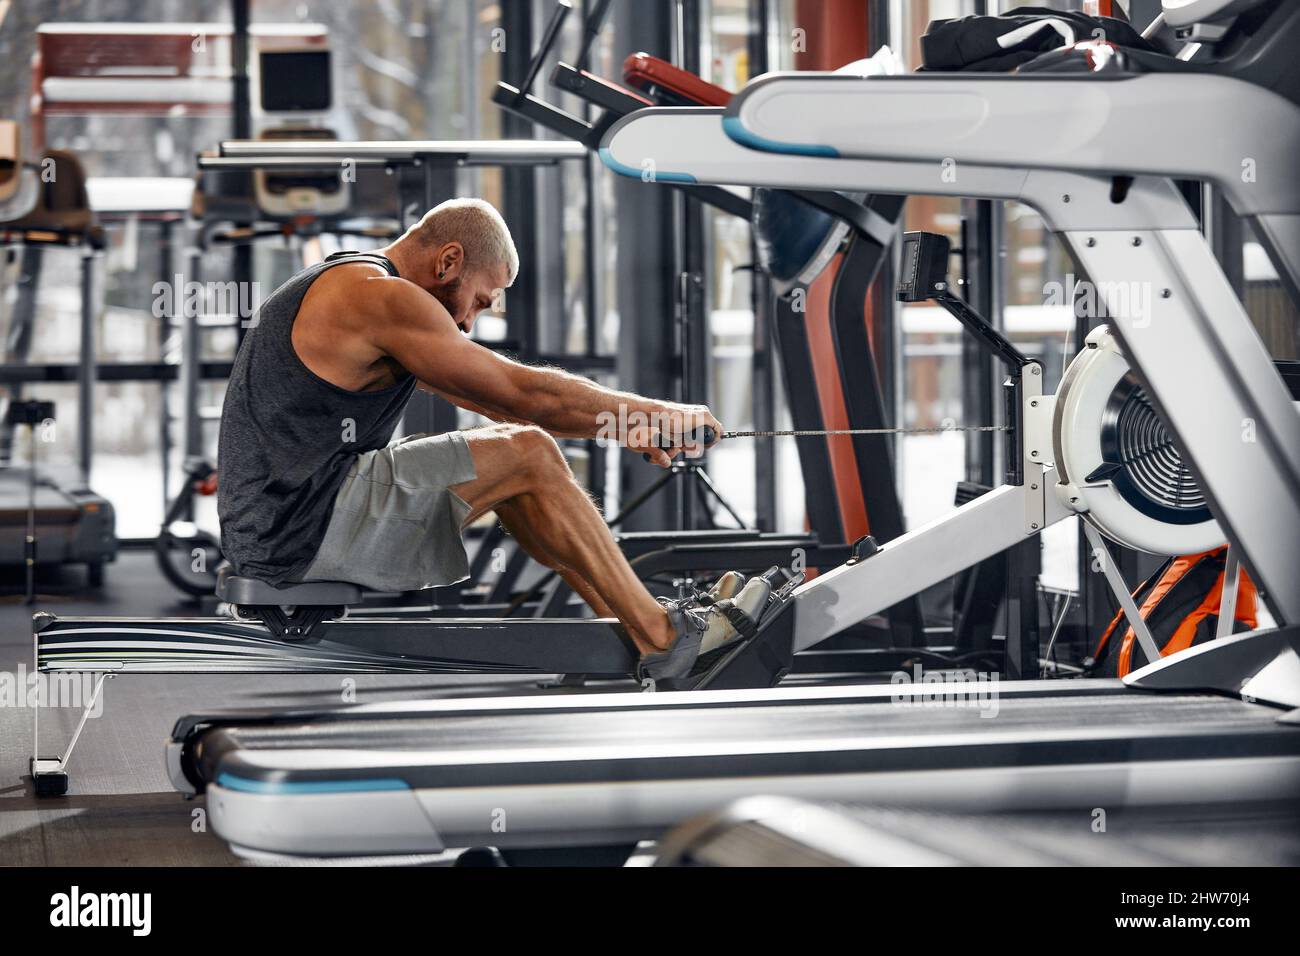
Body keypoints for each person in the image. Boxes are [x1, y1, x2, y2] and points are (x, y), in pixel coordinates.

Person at [218, 197, 744, 680]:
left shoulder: (355, 286)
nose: (469, 322)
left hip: (288, 520)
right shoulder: (379, 298)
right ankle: (664, 635)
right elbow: (525, 395)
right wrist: (659, 413)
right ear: (448, 261)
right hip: (303, 524)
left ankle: (639, 626)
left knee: (517, 455)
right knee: (528, 452)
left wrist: (629, 426)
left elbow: (491, 401)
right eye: (479, 300)